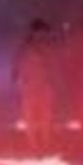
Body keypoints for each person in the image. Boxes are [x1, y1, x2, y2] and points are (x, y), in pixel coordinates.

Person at [12, 19, 60, 154]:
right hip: (29, 87)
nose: (43, 35)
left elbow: (54, 67)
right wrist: (19, 85)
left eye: (44, 33)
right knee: (30, 118)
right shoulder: (24, 48)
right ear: (34, 32)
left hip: (44, 87)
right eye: (40, 32)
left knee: (46, 118)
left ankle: (45, 146)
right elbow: (15, 68)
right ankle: (34, 147)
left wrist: (54, 84)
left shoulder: (49, 48)